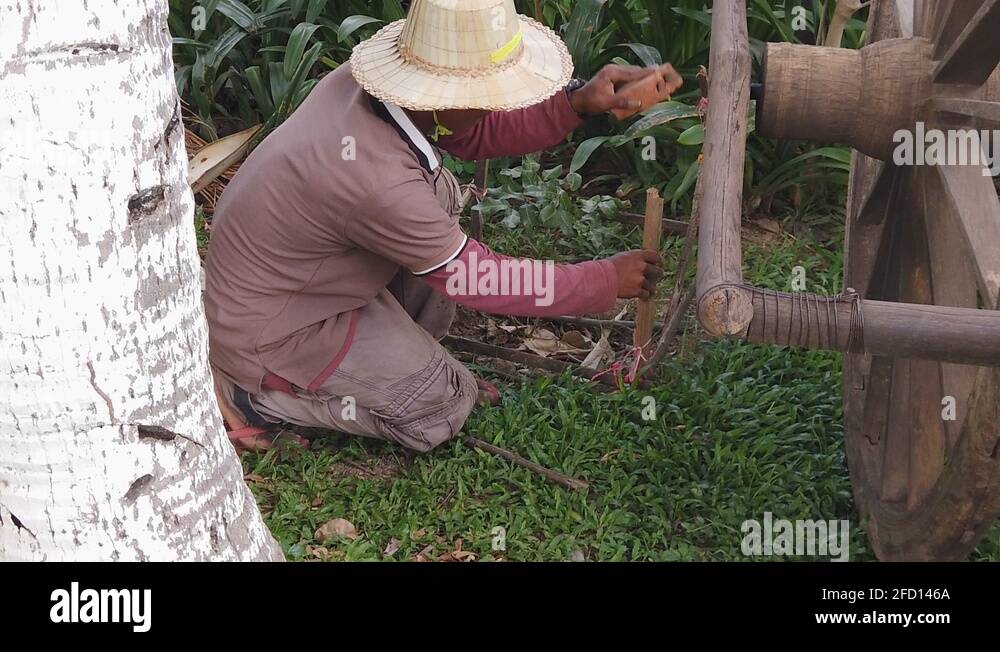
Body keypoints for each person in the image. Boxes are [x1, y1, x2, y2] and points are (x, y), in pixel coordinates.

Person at [206, 0, 681, 452]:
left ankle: (394, 351)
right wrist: (601, 280)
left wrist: (576, 104)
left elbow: (469, 130)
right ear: (441, 94)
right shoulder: (376, 179)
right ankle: (259, 398)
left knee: (438, 198)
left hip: (304, 281)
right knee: (440, 407)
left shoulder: (380, 94)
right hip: (278, 329)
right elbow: (477, 277)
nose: (499, 105)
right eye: (490, 94)